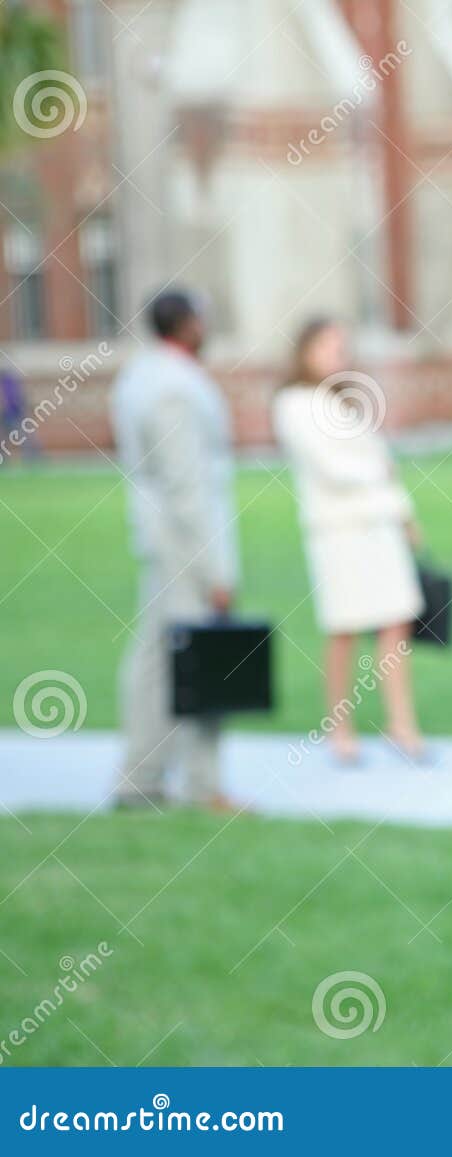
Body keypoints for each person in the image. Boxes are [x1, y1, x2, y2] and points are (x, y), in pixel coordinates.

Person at [109, 289, 245, 812]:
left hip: (160, 540)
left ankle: (139, 777)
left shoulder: (141, 377)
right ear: (187, 325)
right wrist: (217, 568)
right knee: (204, 657)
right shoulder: (174, 388)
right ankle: (203, 784)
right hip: (185, 544)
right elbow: (186, 484)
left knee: (155, 657)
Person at [271, 318, 427, 766]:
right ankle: (340, 728)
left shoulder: (346, 403)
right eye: (326, 346)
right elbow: (332, 468)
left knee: (396, 624)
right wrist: (376, 477)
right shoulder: (294, 403)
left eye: (341, 347)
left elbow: (384, 462)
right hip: (339, 530)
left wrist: (404, 514)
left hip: (380, 526)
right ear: (305, 351)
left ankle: (403, 724)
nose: (336, 355)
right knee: (344, 628)